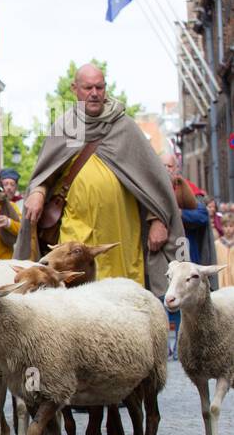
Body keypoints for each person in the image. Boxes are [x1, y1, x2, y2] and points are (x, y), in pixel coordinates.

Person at [16, 63, 182, 294]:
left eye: (99, 87)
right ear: (75, 89)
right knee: (76, 296)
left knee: (124, 296)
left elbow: (153, 180)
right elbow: (45, 173)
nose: (94, 93)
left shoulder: (124, 127)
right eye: (88, 88)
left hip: (120, 232)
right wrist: (37, 192)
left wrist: (158, 219)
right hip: (76, 233)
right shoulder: (66, 127)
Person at [161, 150, 214, 268]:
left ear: (176, 168)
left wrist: (180, 213)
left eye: (169, 166)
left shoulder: (189, 189)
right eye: (162, 166)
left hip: (187, 247)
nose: (166, 169)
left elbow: (202, 215)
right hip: (163, 252)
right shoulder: (152, 189)